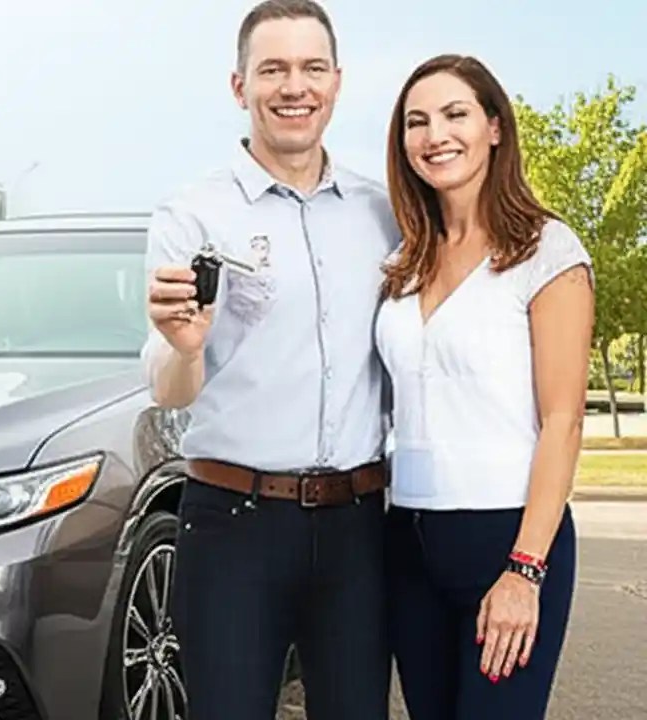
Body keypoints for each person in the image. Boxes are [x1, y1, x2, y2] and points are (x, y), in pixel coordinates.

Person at [141, 1, 399, 717]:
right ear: (239, 85)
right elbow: (169, 390)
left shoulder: (383, 215)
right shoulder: (192, 215)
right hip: (232, 526)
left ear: (338, 82)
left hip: (356, 529)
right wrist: (183, 346)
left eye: (312, 68)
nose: (295, 87)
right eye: (274, 69)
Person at [375, 53, 592, 720]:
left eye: (454, 113)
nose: (434, 134)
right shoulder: (401, 260)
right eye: (417, 121)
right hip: (407, 538)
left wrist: (525, 570)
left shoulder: (547, 251)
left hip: (508, 538)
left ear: (495, 127)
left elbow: (564, 420)